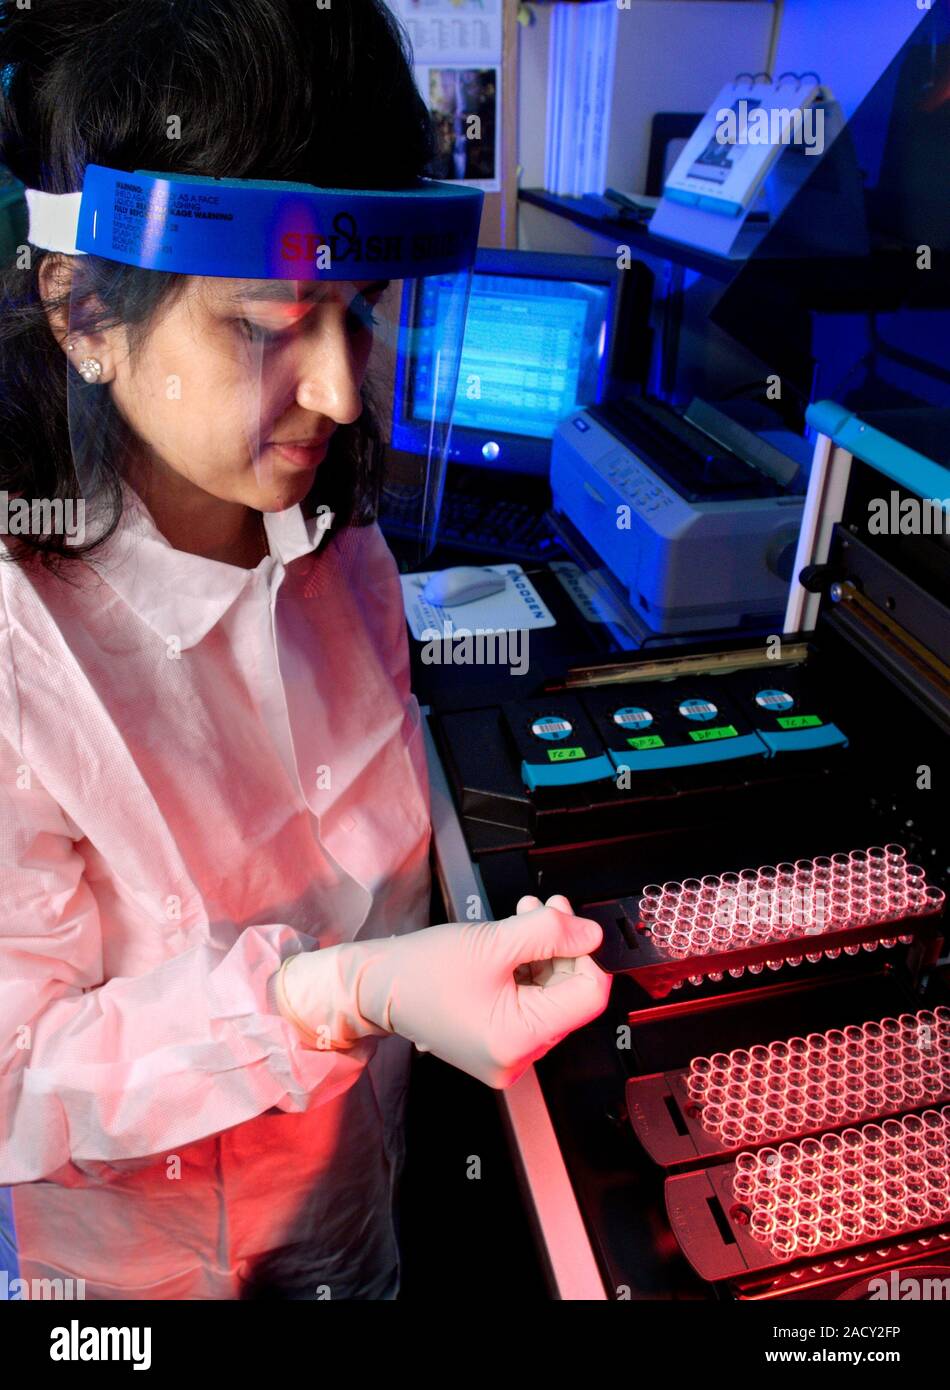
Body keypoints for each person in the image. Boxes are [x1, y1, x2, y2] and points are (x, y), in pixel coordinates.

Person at [0, 0, 611, 1301]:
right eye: (268, 326)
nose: (337, 389)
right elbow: (15, 1080)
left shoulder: (332, 536)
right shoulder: (20, 647)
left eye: (361, 310)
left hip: (364, 1208)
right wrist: (340, 993)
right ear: (84, 313)